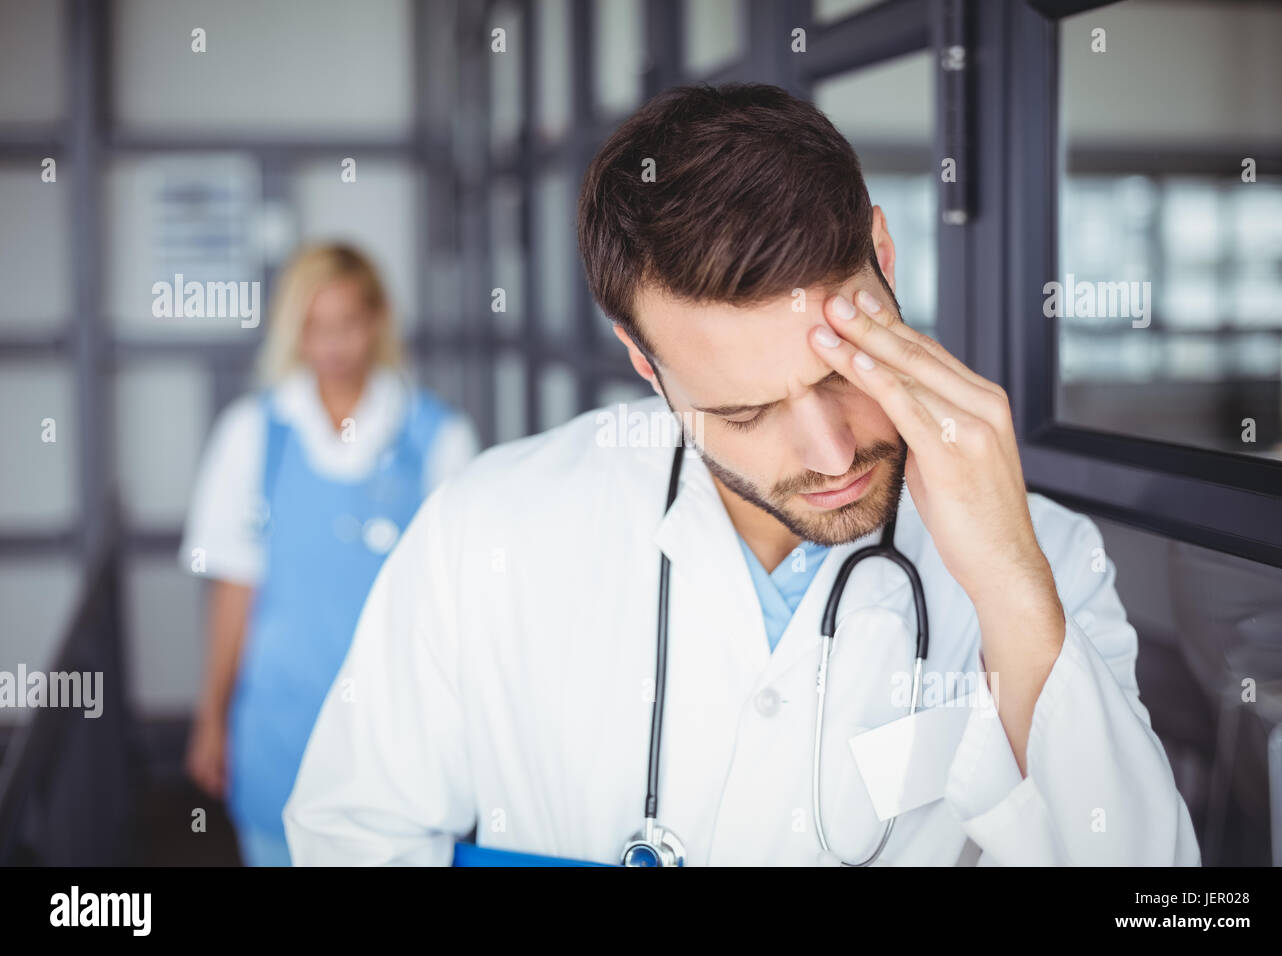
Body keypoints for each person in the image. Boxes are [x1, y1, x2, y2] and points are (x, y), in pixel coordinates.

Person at [282, 85, 1200, 866]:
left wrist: (1006, 583)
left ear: (883, 256)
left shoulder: (1051, 562)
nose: (833, 455)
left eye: (845, 371)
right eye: (742, 413)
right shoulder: (487, 531)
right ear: (644, 364)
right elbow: (351, 833)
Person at [179, 242, 480, 866]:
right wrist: (212, 715)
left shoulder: (440, 439)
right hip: (277, 726)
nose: (332, 346)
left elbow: (462, 607)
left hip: (398, 736)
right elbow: (236, 587)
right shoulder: (253, 435)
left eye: (347, 324)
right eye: (315, 328)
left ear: (377, 322)